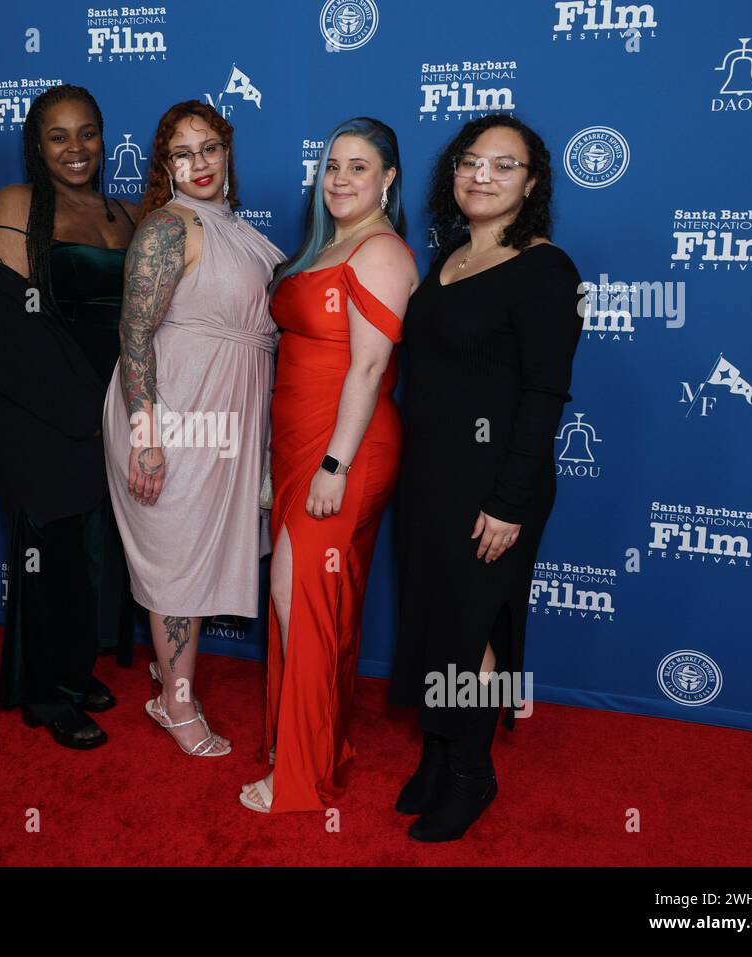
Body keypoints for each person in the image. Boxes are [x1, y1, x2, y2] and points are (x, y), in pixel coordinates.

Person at [389, 115, 583, 841]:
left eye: (505, 166)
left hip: (499, 484)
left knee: (475, 624)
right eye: (471, 162)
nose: (482, 176)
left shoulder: (545, 268)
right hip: (431, 476)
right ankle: (439, 752)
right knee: (438, 616)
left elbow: (544, 393)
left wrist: (508, 500)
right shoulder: (446, 260)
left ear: (531, 184)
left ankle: (472, 767)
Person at [239, 118, 418, 813]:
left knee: (305, 602)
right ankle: (311, 741)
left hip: (346, 444)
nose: (340, 179)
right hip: (297, 445)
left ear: (388, 179)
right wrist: (276, 462)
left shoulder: (379, 250)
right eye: (333, 165)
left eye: (360, 167)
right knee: (302, 602)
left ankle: (305, 777)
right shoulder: (326, 245)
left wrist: (334, 464)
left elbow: (369, 365)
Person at [101, 100, 283, 757]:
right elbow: (135, 333)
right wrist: (145, 434)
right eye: (182, 153)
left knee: (197, 549)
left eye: (209, 148)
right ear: (165, 165)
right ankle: (174, 701)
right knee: (178, 555)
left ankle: (166, 668)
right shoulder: (166, 227)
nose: (199, 163)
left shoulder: (236, 227)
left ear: (227, 151)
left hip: (226, 416)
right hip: (171, 413)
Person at [0, 84, 138, 750]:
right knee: (49, 549)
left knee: (94, 548)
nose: (76, 149)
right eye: (58, 136)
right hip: (39, 409)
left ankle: (73, 670)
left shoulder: (124, 214)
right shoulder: (19, 204)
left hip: (110, 407)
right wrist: (81, 410)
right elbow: (0, 326)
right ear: (36, 146)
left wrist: (125, 408)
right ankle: (42, 692)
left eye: (88, 133)